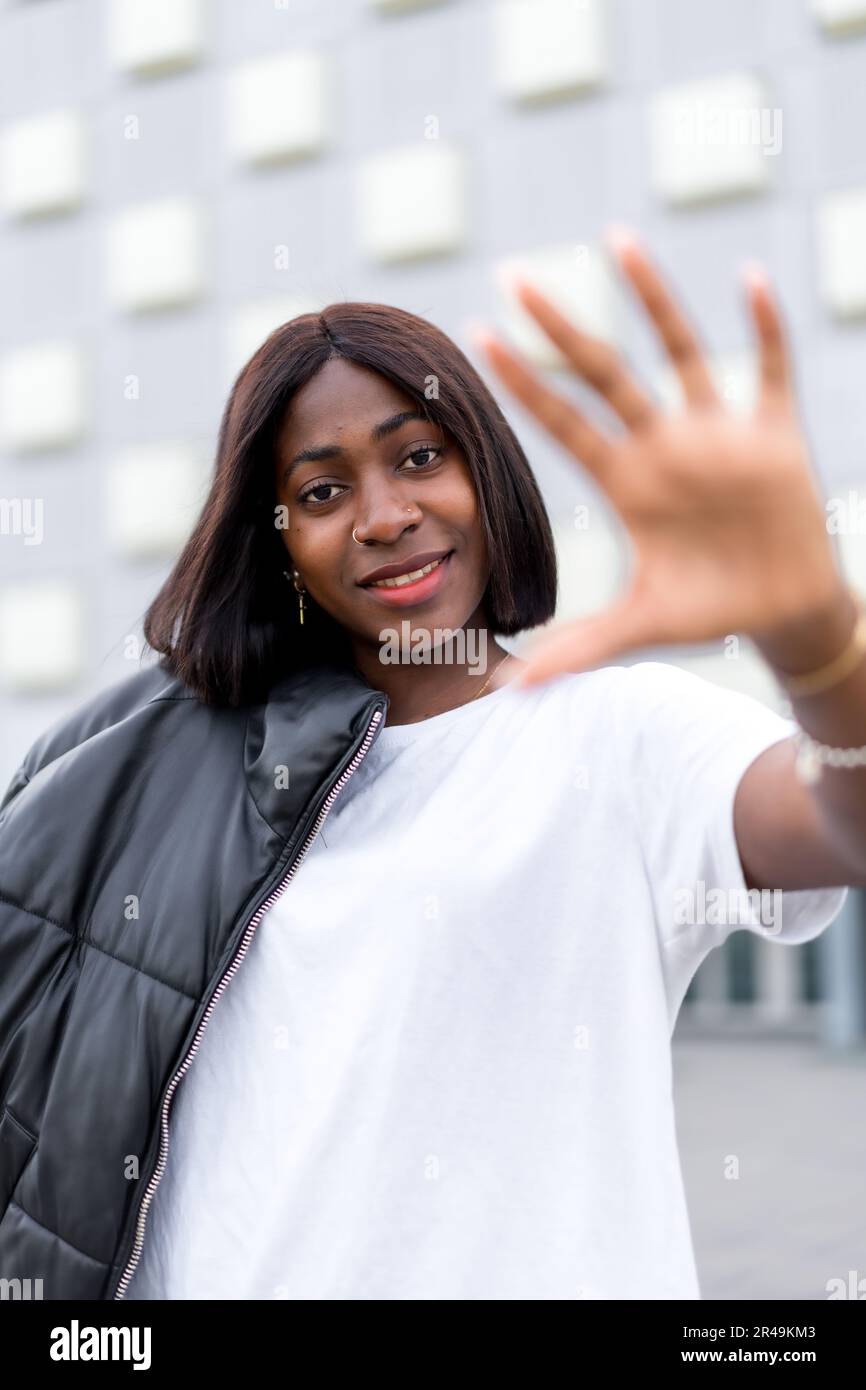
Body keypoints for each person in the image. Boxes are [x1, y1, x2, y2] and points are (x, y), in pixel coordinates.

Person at [1, 229, 863, 1302]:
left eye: (419, 456)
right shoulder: (183, 772)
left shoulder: (612, 733)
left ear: (484, 469)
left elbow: (843, 822)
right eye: (321, 493)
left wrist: (817, 638)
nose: (386, 517)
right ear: (278, 547)